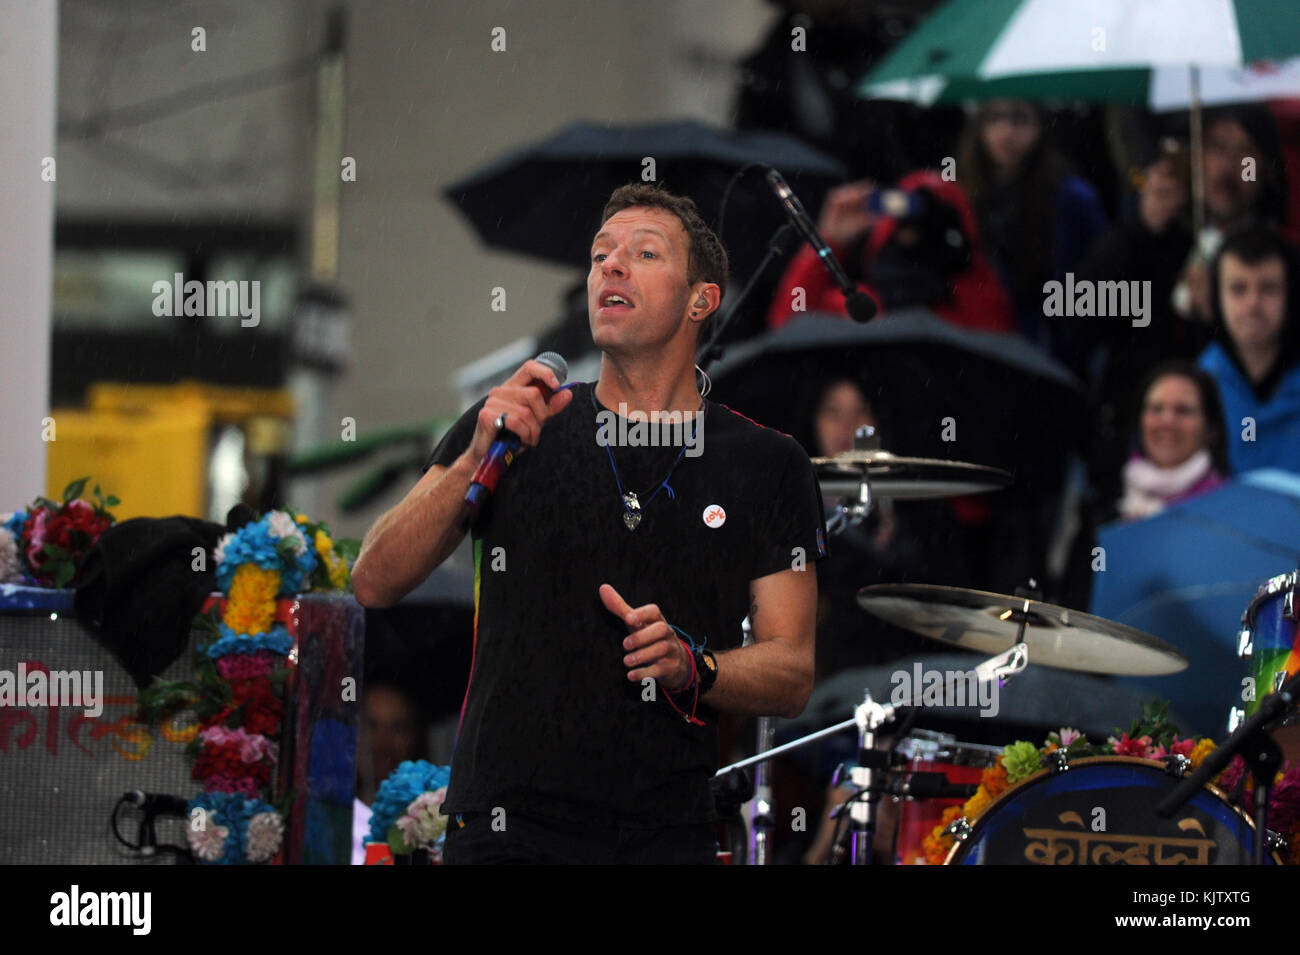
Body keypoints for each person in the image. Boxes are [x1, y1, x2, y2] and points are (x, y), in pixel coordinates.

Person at [351, 183, 827, 864]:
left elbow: (792, 669)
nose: (611, 266)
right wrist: (474, 461)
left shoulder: (766, 462)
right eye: (600, 254)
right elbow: (373, 579)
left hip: (665, 833)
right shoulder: (517, 423)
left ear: (701, 299)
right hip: (505, 825)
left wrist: (694, 665)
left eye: (644, 252)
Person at [956, 99, 1108, 370]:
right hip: (983, 337)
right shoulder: (961, 194)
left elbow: (1096, 276)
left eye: (1020, 119)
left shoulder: (1072, 197)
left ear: (1041, 126)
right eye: (994, 118)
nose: (1006, 132)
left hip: (1052, 344)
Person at [766, 170, 1016, 334]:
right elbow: (787, 326)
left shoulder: (968, 319)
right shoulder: (859, 308)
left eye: (928, 231)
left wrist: (962, 257)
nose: (911, 237)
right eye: (903, 225)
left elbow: (995, 330)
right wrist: (827, 242)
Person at [1198, 227, 1300, 475]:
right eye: (1238, 289)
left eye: (1268, 288)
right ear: (1216, 297)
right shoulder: (1196, 387)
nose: (1253, 303)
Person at [1116, 361, 1229, 521]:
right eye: (1156, 409)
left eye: (1183, 411)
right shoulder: (1105, 501)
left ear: (1211, 429)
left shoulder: (1228, 508)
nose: (1167, 421)